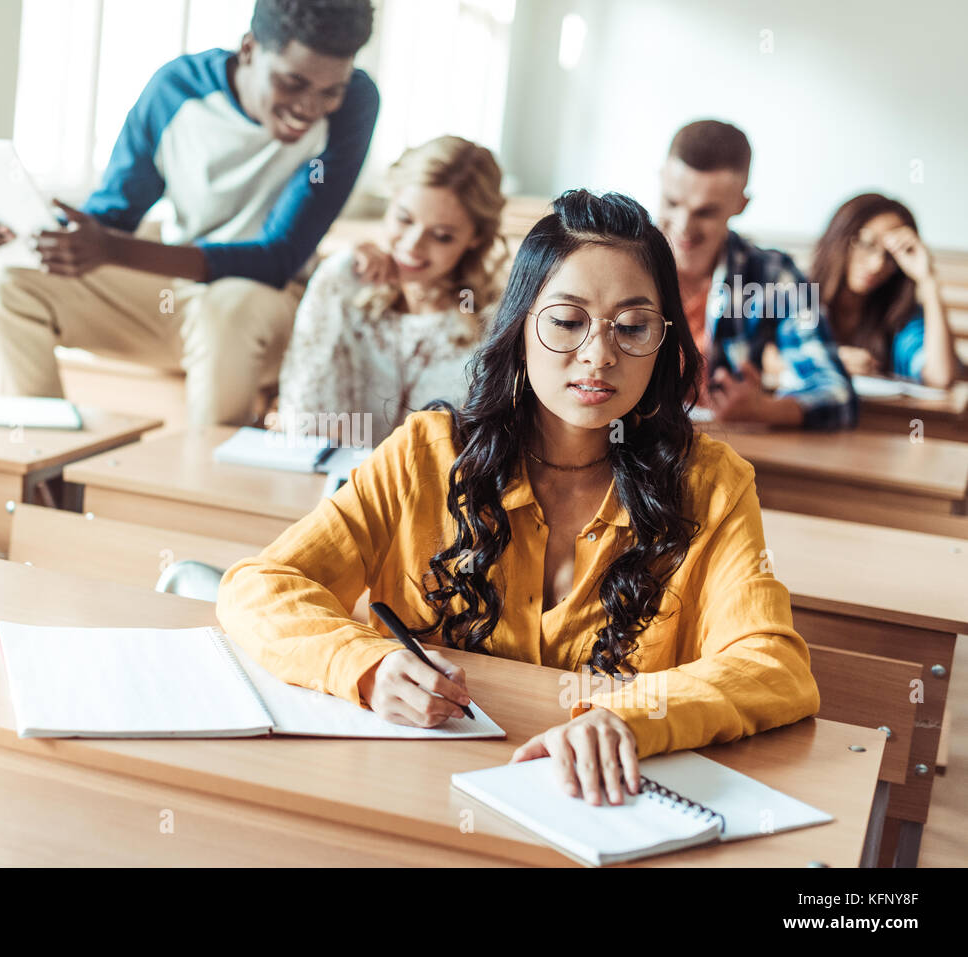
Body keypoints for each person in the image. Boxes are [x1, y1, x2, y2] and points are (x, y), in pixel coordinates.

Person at [217, 190, 819, 805]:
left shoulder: (709, 484)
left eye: (633, 327)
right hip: (420, 794)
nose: (599, 355)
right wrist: (365, 666)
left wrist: (634, 718)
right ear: (521, 324)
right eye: (566, 321)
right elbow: (260, 586)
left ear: (664, 339)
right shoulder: (426, 454)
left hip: (601, 805)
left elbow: (771, 664)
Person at [0, 0, 380, 427]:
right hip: (171, 298)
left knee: (230, 306)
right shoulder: (177, 89)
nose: (309, 107)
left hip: (267, 309)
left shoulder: (355, 105)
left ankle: (204, 480)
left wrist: (112, 250)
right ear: (250, 49)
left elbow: (278, 257)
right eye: (292, 83)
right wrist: (33, 235)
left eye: (330, 91)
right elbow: (112, 215)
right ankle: (42, 467)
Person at [274, 135, 506, 447]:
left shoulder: (493, 324)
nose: (412, 245)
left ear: (476, 237)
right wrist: (337, 276)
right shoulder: (346, 289)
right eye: (404, 219)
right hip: (334, 486)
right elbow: (303, 418)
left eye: (441, 236)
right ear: (391, 201)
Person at [657, 120, 856, 429]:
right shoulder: (618, 260)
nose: (684, 225)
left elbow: (837, 392)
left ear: (741, 204)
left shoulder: (773, 275)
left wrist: (764, 410)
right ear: (660, 181)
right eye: (672, 202)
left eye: (705, 211)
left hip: (717, 454)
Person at [810, 193, 958, 388]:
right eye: (865, 244)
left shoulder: (901, 317)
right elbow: (768, 356)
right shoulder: (801, 295)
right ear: (839, 238)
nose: (877, 265)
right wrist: (829, 359)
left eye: (890, 255)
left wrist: (928, 279)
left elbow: (939, 377)